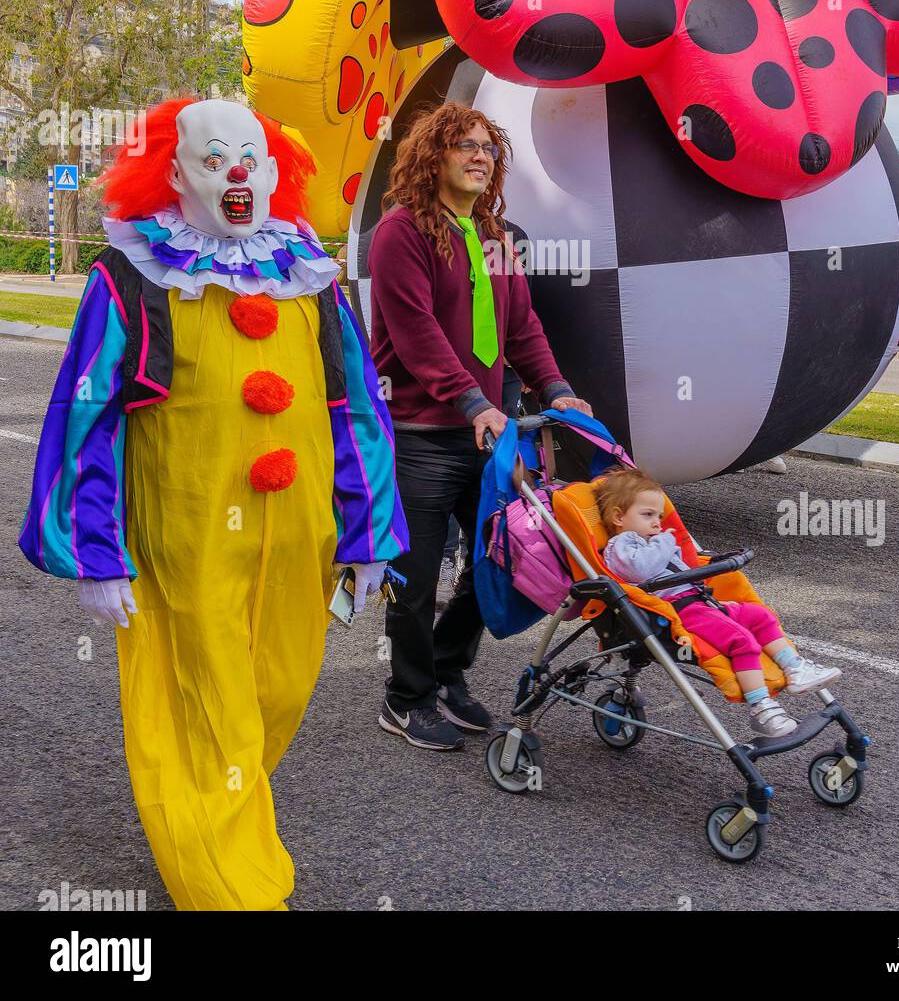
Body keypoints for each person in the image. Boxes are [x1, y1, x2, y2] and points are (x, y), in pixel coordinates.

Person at [18, 99, 405, 910]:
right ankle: (229, 886)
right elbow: (86, 414)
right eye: (212, 158)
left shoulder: (310, 274)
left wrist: (369, 533)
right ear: (171, 175)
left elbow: (356, 408)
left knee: (280, 690)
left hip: (303, 536)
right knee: (204, 697)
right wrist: (95, 552)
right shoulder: (133, 275)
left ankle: (213, 806)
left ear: (272, 173)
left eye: (249, 158)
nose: (236, 171)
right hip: (183, 533)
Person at [368, 101, 590, 751]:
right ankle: (405, 698)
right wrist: (473, 404)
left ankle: (444, 669)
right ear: (431, 156)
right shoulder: (401, 232)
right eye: (462, 145)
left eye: (487, 148)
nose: (476, 156)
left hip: (486, 435)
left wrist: (557, 389)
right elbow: (415, 335)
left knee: (498, 558)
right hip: (419, 434)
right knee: (412, 577)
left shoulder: (494, 236)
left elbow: (521, 327)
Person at [596, 466, 841, 740]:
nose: (657, 523)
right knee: (741, 641)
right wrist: (665, 542)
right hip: (680, 611)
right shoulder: (622, 544)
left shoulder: (648, 539)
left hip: (702, 601)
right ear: (618, 517)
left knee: (759, 615)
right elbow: (638, 570)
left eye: (660, 516)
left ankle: (795, 667)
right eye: (648, 515)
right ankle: (761, 708)